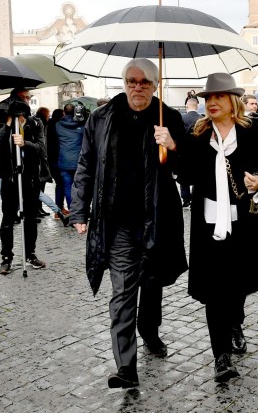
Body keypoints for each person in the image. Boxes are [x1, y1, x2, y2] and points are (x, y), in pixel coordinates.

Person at [165, 73, 258, 384]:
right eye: (208, 98)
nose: (211, 103)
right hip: (209, 227)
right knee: (215, 291)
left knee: (240, 286)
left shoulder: (252, 130)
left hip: (245, 222)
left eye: (217, 97)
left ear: (231, 100)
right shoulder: (198, 133)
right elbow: (186, 175)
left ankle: (236, 322)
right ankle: (220, 356)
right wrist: (170, 149)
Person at [72, 57, 188, 392]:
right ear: (124, 83)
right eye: (132, 81)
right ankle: (126, 367)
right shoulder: (101, 118)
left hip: (158, 219)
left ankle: (150, 330)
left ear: (155, 85)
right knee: (122, 292)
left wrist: (173, 145)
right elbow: (86, 164)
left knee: (152, 285)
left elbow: (185, 171)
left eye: (145, 82)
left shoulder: (170, 118)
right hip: (118, 222)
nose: (138, 87)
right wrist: (79, 211)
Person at [0, 83, 47, 276]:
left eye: (28, 98)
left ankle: (30, 253)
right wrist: (7, 124)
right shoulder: (3, 122)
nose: (26, 101)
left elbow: (41, 148)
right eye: (23, 98)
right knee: (7, 219)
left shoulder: (35, 123)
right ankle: (7, 257)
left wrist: (26, 144)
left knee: (30, 218)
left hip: (30, 178)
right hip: (9, 178)